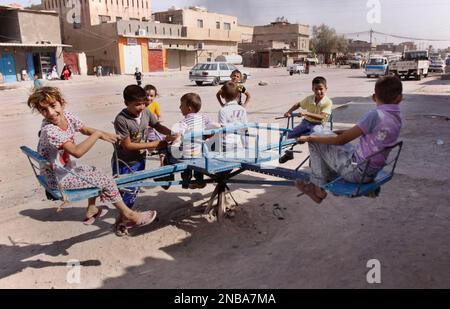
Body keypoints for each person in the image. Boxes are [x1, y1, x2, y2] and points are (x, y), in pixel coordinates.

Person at [27, 87, 157, 231]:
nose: (51, 113)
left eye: (53, 106)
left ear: (61, 103)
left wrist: (107, 135)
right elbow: (77, 152)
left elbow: (84, 129)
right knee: (106, 181)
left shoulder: (67, 116)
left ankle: (92, 209)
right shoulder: (50, 130)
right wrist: (98, 135)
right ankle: (129, 215)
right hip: (57, 178)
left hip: (65, 169)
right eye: (44, 110)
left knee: (95, 170)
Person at [295, 76, 403, 203]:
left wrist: (309, 138)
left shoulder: (375, 115)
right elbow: (362, 132)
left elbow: (342, 140)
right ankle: (325, 174)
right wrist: (334, 133)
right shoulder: (396, 118)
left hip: (355, 172)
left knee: (314, 137)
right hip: (370, 171)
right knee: (323, 136)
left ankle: (317, 187)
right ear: (400, 98)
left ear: (374, 97)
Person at [112, 85, 177, 235]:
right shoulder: (121, 120)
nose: (141, 107)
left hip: (140, 159)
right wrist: (154, 144)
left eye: (143, 103)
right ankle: (123, 220)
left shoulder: (147, 112)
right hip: (124, 161)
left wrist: (172, 133)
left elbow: (157, 126)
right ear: (126, 103)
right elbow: (127, 145)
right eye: (137, 104)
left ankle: (123, 220)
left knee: (132, 191)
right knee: (124, 191)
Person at [171, 93, 220, 189]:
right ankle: (199, 181)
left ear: (189, 109)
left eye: (181, 105)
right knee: (198, 163)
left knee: (185, 166)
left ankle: (186, 183)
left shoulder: (184, 122)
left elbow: (178, 134)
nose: (179, 107)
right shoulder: (204, 118)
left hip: (187, 153)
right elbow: (215, 125)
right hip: (199, 151)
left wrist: (174, 144)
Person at [279, 76, 333, 164]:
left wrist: (306, 113)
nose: (318, 91)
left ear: (326, 88)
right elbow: (298, 104)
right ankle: (289, 154)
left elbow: (322, 117)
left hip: (318, 124)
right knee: (289, 135)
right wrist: (289, 111)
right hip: (306, 123)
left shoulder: (328, 102)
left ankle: (314, 159)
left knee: (314, 140)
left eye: (321, 89)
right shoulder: (309, 98)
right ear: (312, 89)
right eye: (316, 89)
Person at [218, 81, 248, 154]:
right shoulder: (242, 110)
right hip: (238, 142)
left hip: (226, 143)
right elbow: (245, 129)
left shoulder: (222, 111)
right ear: (238, 95)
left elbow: (223, 130)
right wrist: (246, 146)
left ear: (223, 96)